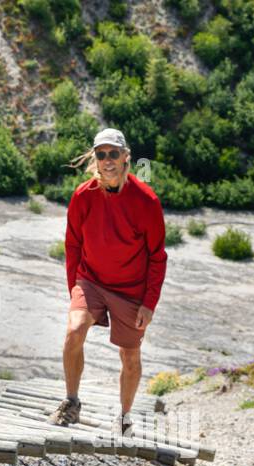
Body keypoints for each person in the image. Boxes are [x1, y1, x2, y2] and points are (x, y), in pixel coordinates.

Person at [50, 128, 167, 436]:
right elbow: (72, 245)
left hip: (131, 290)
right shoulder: (82, 196)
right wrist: (74, 289)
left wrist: (149, 304)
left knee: (130, 356)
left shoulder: (147, 201)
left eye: (113, 154)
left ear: (125, 157)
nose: (107, 160)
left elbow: (157, 256)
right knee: (74, 330)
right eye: (101, 155)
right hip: (91, 280)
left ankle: (125, 416)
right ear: (95, 159)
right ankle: (71, 403)